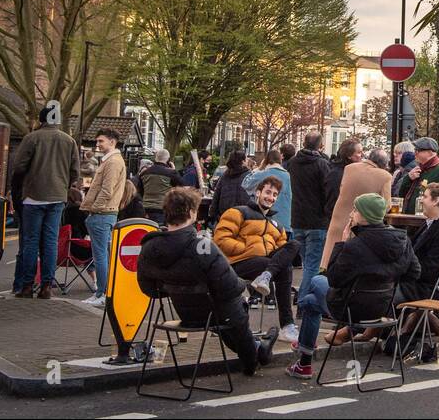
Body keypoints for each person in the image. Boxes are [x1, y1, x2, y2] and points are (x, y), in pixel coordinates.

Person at [137, 187, 277, 376]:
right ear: (191, 213)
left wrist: (174, 289)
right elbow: (228, 287)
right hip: (214, 313)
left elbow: (148, 289)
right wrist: (244, 284)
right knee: (235, 308)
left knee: (225, 307)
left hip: (185, 311)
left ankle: (259, 346)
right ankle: (255, 355)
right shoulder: (202, 246)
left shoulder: (149, 247)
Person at [286, 192, 420, 380]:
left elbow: (334, 279)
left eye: (356, 210)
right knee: (309, 302)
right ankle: (303, 363)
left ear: (365, 216)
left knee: (316, 281)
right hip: (383, 308)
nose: (352, 213)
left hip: (351, 310)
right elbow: (414, 272)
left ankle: (305, 362)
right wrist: (386, 278)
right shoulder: (403, 241)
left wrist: (342, 241)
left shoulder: (355, 246)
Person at [214, 175, 302, 341]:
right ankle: (287, 325)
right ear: (258, 192)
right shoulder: (238, 212)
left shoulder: (276, 224)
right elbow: (221, 238)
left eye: (275, 195)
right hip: (240, 262)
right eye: (268, 192)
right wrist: (244, 249)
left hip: (266, 264)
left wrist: (274, 258)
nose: (271, 197)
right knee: (282, 268)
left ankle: (267, 277)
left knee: (294, 245)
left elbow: (283, 248)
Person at [9, 104, 79, 299]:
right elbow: (75, 172)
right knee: (50, 242)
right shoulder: (69, 141)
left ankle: (27, 285)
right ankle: (47, 286)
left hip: (33, 197)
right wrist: (64, 186)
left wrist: (22, 187)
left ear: (41, 120)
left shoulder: (31, 138)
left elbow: (19, 167)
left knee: (30, 242)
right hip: (57, 196)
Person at [288, 132, 335, 312]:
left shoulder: (293, 163)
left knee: (307, 263)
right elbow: (327, 190)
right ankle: (304, 303)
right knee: (312, 266)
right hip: (317, 220)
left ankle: (302, 299)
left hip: (298, 218)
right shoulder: (321, 164)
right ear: (320, 146)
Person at [323, 148, 392, 269]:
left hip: (338, 222)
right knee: (349, 268)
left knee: (329, 263)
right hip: (360, 226)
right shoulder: (385, 176)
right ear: (384, 164)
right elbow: (385, 206)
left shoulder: (350, 168)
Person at [80, 128, 127, 308]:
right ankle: (103, 292)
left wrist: (94, 209)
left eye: (101, 141)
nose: (98, 144)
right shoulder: (111, 161)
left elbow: (107, 190)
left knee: (100, 256)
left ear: (112, 142)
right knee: (103, 256)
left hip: (102, 214)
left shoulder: (113, 162)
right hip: (105, 213)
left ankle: (102, 293)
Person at [396, 137, 439, 214]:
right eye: (415, 150)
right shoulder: (419, 168)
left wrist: (435, 221)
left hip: (427, 222)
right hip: (411, 220)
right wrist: (408, 178)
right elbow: (401, 194)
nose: (415, 153)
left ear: (430, 152)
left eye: (418, 150)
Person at [243, 148, 292, 230]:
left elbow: (246, 184)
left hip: (266, 222)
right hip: (285, 222)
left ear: (267, 160)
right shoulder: (288, 175)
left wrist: (258, 169)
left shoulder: (263, 173)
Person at [139, 149, 183, 224]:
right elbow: (181, 187)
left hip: (145, 209)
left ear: (155, 158)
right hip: (162, 209)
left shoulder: (144, 173)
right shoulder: (171, 173)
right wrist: (174, 170)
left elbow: (140, 190)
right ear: (168, 160)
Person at [210, 150, 251, 224]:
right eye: (246, 158)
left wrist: (213, 214)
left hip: (224, 215)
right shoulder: (249, 176)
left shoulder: (225, 175)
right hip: (242, 216)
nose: (248, 160)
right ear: (242, 161)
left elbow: (217, 194)